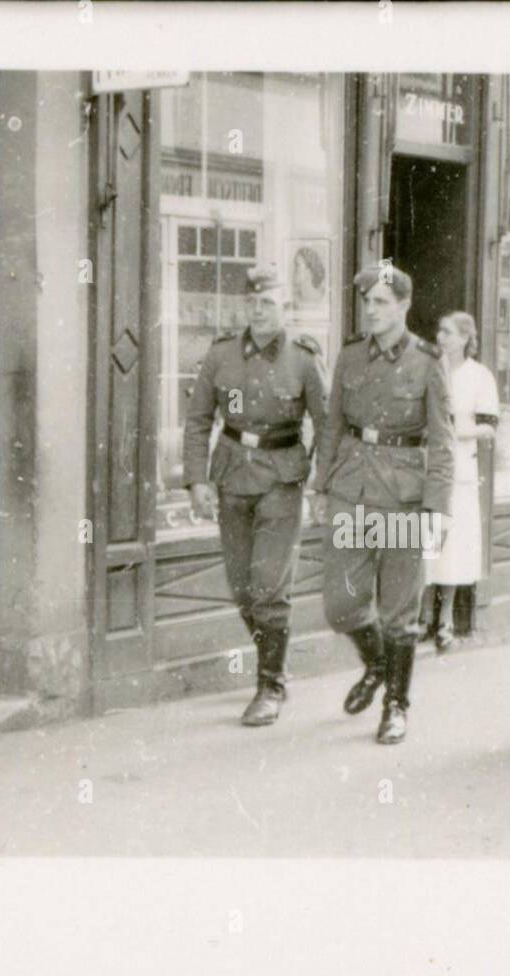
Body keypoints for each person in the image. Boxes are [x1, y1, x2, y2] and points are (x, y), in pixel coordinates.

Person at [311, 265, 456, 744]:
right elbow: (332, 425)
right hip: (351, 491)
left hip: (403, 499)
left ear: (403, 306)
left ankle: (396, 704)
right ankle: (376, 665)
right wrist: (320, 488)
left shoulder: (429, 361)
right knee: (341, 606)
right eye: (367, 301)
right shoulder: (350, 356)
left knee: (399, 611)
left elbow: (442, 441)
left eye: (380, 302)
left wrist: (436, 509)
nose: (371, 310)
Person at [182, 264, 327, 726]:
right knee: (242, 589)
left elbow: (328, 424)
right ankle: (274, 665)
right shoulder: (222, 353)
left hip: (282, 478)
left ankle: (270, 685)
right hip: (231, 475)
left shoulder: (304, 358)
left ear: (285, 307)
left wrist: (321, 484)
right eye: (252, 303)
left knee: (268, 585)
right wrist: (196, 480)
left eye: (268, 303)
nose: (259, 311)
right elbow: (198, 419)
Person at [423, 311, 499, 651]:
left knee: (452, 545)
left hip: (459, 470)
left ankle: (446, 619)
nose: (442, 337)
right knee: (425, 540)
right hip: (427, 465)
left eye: (449, 332)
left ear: (467, 338)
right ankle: (422, 615)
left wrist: (455, 431)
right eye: (439, 331)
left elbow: (488, 426)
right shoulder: (429, 368)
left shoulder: (478, 376)